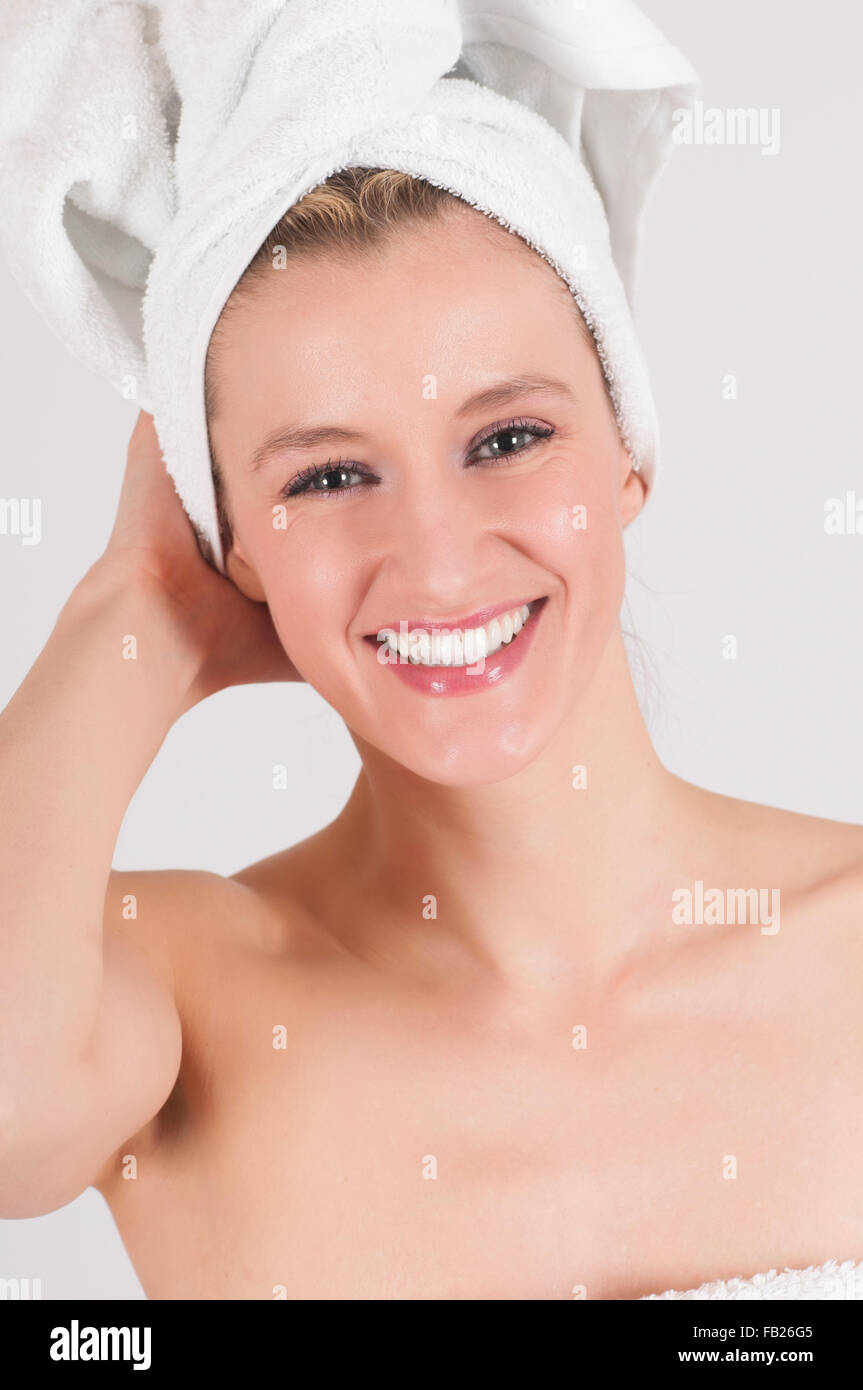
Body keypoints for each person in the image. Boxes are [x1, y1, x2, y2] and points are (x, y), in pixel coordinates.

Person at [2, 166, 862, 1302]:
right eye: (329, 474)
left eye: (506, 438)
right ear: (234, 546)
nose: (439, 560)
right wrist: (137, 611)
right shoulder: (187, 993)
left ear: (627, 455)